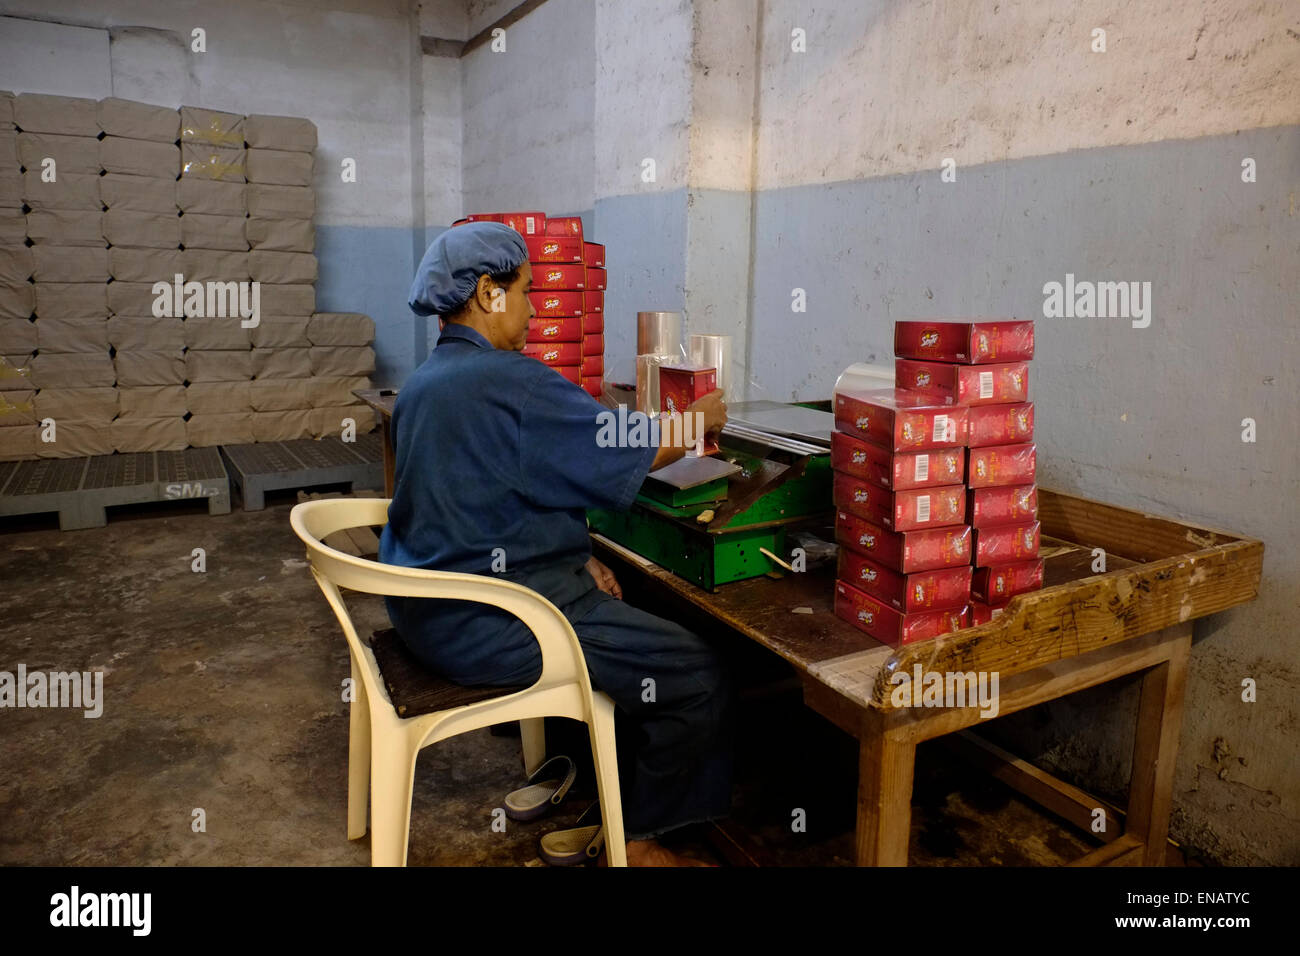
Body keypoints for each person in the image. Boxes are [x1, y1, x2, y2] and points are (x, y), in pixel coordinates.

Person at [379, 221, 732, 867]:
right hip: (490, 624)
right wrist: (696, 420)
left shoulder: (424, 384)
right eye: (525, 292)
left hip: (424, 610)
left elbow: (478, 499)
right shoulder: (510, 380)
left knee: (621, 617)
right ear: (489, 292)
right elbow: (629, 444)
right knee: (692, 670)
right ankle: (644, 838)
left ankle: (589, 779)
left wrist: (576, 553)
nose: (535, 308)